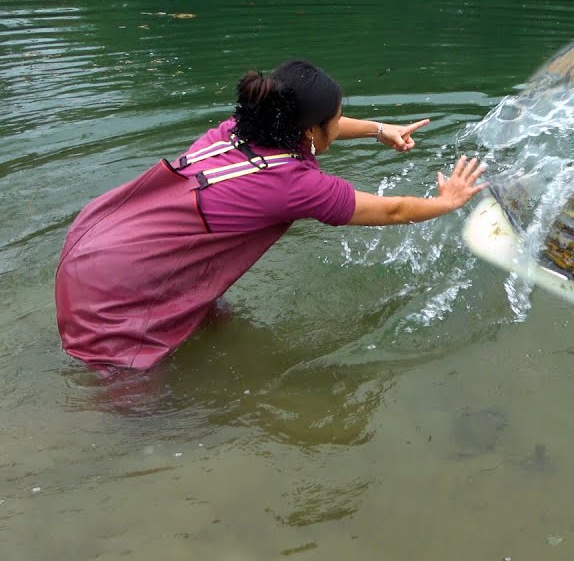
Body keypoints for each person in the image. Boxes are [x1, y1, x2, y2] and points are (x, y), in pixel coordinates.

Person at [54, 59, 488, 372]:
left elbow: (321, 127)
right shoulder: (293, 184)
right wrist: (447, 202)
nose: (340, 125)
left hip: (98, 238)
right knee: (130, 398)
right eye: (336, 119)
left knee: (215, 319)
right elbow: (392, 209)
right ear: (309, 130)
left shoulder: (236, 131)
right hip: (116, 287)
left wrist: (379, 130)